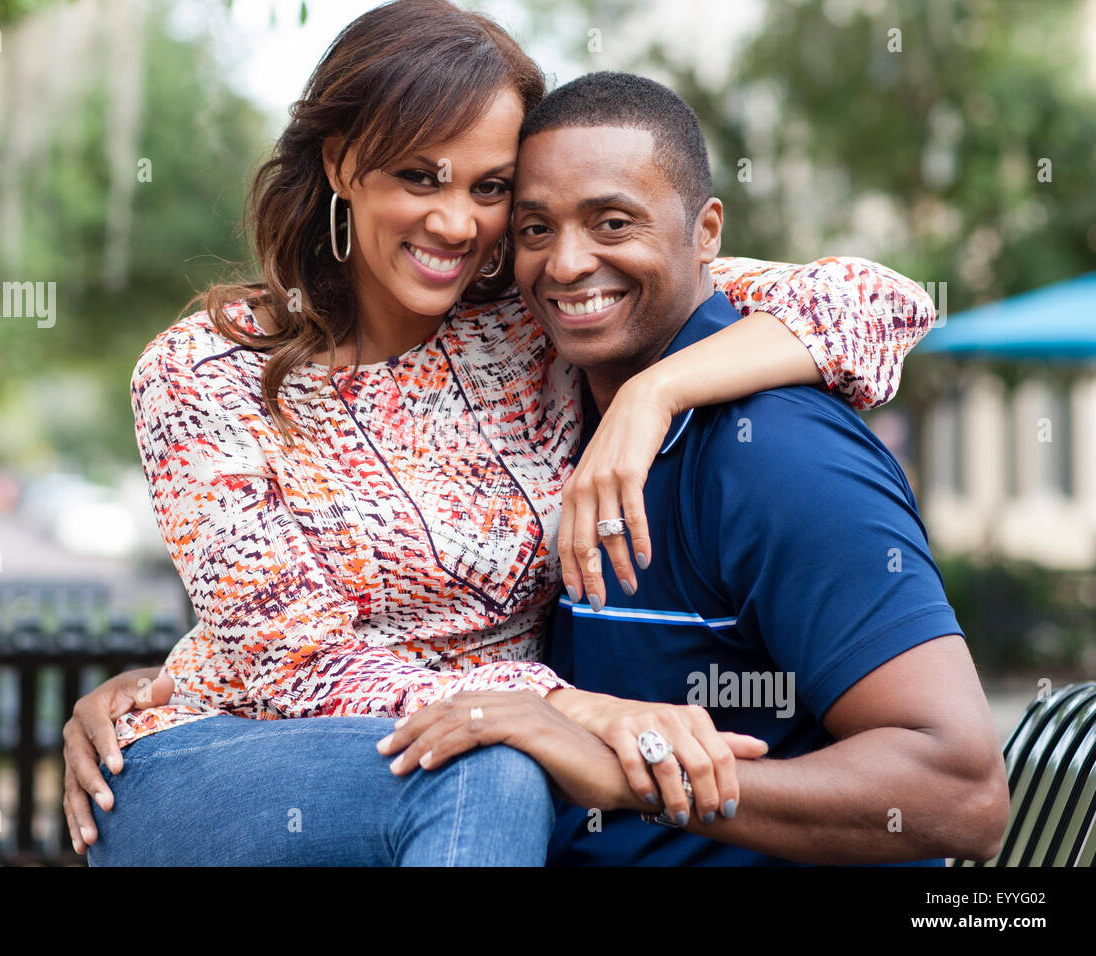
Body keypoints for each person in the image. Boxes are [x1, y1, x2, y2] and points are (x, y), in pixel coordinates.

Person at [64, 0, 938, 865]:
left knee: (490, 762)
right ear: (341, 164)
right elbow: (299, 669)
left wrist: (653, 396)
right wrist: (570, 711)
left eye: (489, 189)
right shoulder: (205, 372)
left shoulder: (534, 317)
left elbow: (879, 303)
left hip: (469, 787)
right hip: (225, 757)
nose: (456, 223)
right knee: (489, 764)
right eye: (419, 176)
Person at [375, 72, 1009, 866]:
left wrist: (623, 772)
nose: (567, 264)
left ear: (706, 231)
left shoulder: (777, 453)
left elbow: (960, 792)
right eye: (535, 230)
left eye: (612, 222)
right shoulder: (551, 414)